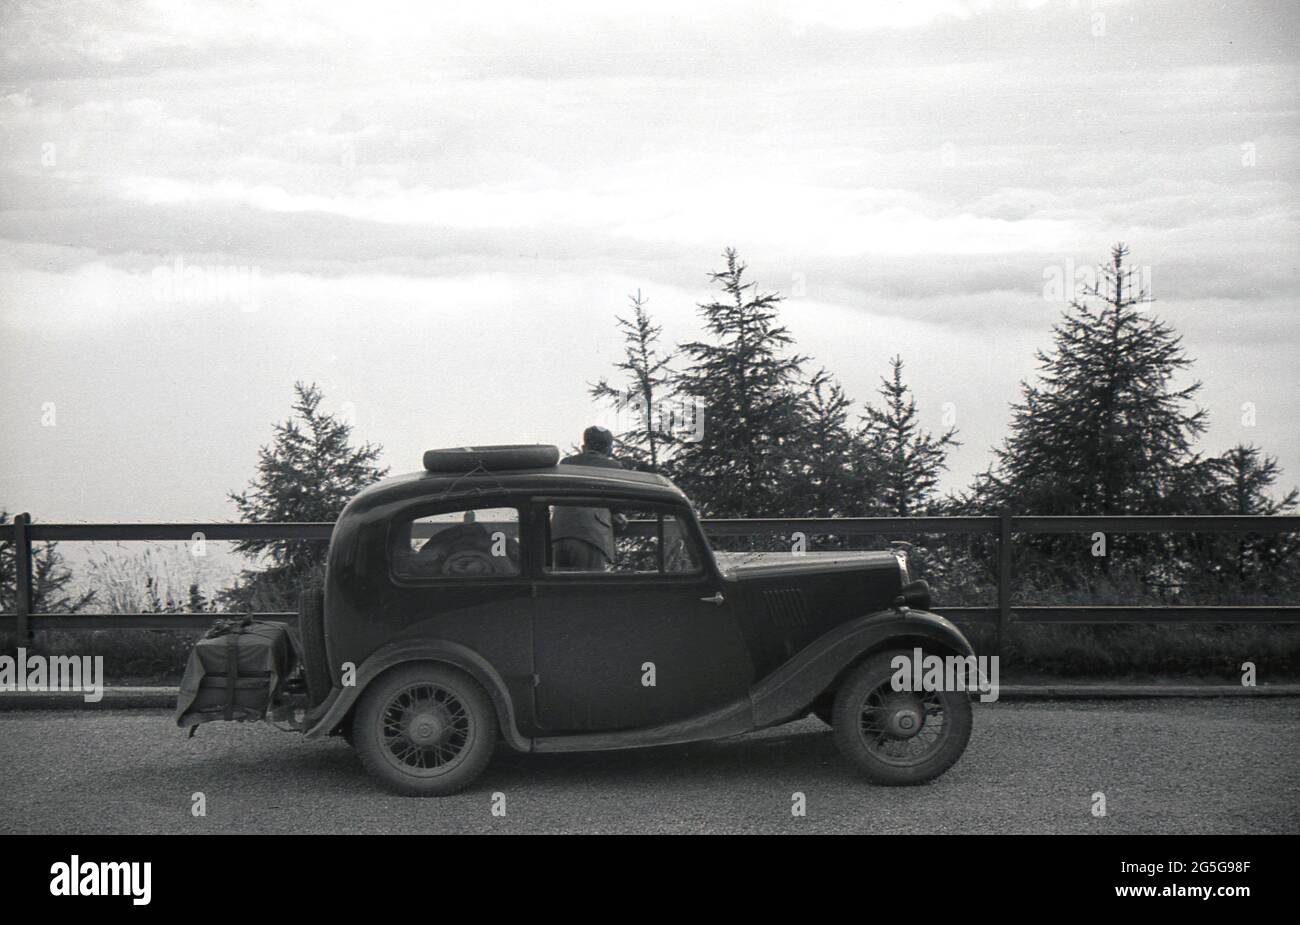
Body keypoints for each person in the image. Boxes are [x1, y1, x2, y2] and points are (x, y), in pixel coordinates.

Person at [551, 426, 624, 571]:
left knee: (561, 589)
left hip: (559, 532)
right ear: (609, 449)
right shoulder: (613, 466)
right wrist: (617, 513)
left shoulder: (566, 463)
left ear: (584, 446)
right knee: (590, 589)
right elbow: (615, 500)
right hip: (589, 535)